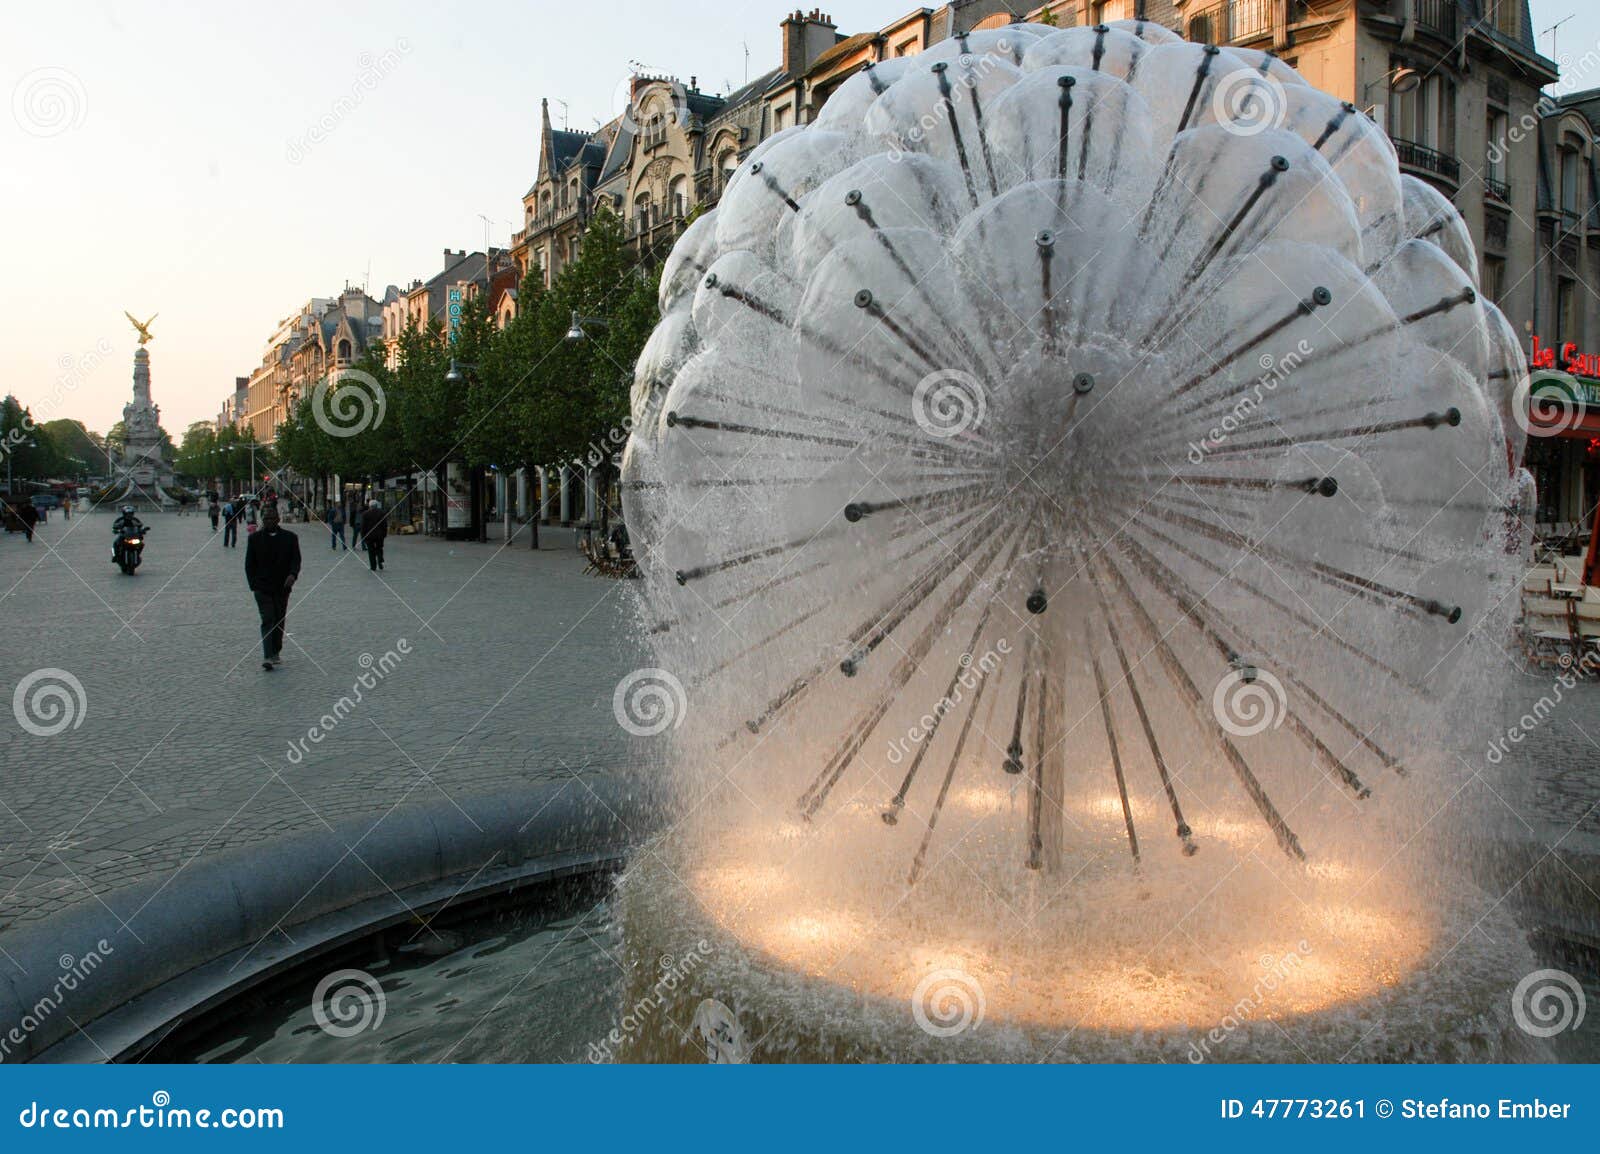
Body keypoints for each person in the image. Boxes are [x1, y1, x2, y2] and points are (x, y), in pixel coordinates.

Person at [244, 504, 300, 670]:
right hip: (262, 588)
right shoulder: (254, 539)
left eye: (271, 518)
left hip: (282, 587)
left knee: (279, 619)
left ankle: (276, 650)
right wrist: (254, 585)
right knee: (268, 619)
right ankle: (268, 655)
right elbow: (249, 564)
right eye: (266, 518)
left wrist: (293, 575)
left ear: (278, 519)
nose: (269, 521)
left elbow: (296, 560)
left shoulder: (290, 538)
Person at [359, 499, 388, 571]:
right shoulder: (382, 513)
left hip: (369, 535)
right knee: (379, 548)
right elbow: (385, 525)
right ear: (376, 505)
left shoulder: (365, 514)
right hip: (379, 535)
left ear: (370, 506)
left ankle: (373, 566)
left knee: (371, 551)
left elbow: (363, 526)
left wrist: (363, 536)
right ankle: (380, 559)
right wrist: (384, 534)